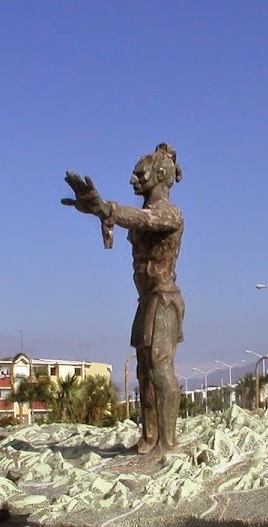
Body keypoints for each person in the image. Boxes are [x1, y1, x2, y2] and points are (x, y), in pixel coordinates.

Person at [63, 143, 185, 455]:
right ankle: (148, 439)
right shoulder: (143, 213)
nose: (132, 180)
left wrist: (108, 210)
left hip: (164, 300)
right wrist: (99, 214)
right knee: (145, 371)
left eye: (138, 174)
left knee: (160, 368)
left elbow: (142, 220)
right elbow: (127, 227)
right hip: (146, 301)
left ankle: (167, 444)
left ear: (159, 174)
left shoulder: (169, 213)